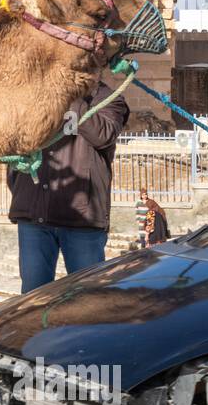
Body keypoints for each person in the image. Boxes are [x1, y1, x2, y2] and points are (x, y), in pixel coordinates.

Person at [9, 80, 130, 293]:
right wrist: (20, 186)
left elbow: (102, 136)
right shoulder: (30, 93)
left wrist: (72, 97)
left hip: (81, 220)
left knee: (86, 300)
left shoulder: (107, 98)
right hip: (34, 215)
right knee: (32, 299)